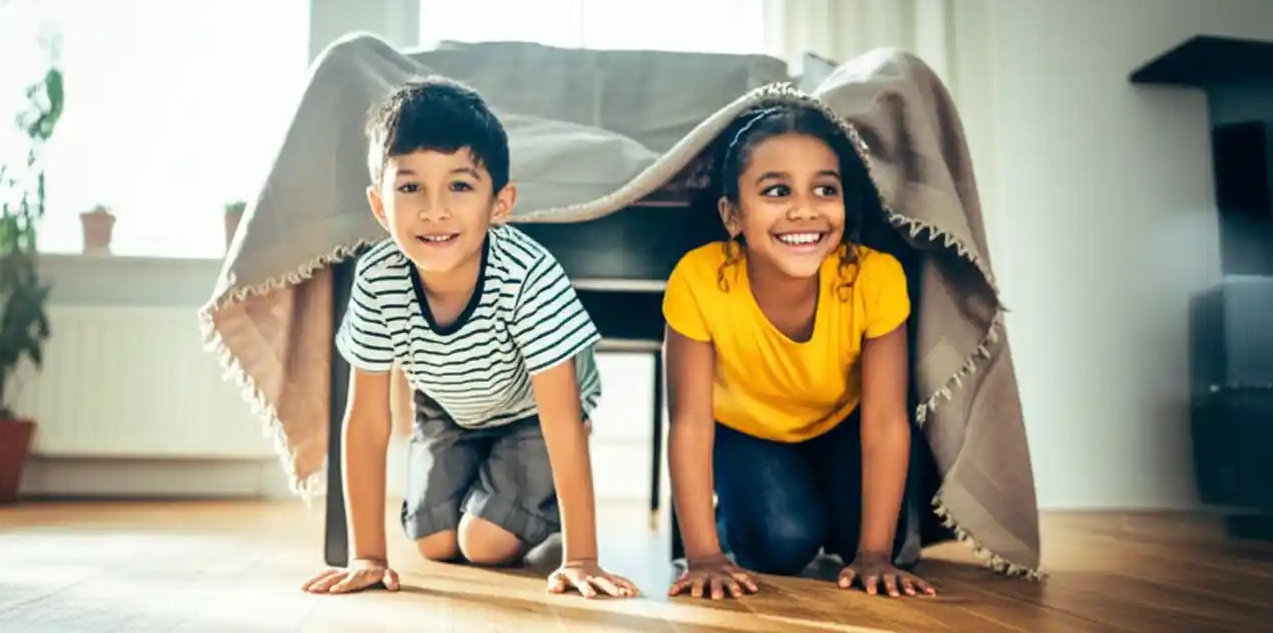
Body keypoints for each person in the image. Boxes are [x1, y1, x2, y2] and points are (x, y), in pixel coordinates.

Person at [301, 76, 638, 599]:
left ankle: (534, 497)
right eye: (410, 187)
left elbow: (559, 417)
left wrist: (582, 557)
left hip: (532, 411)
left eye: (459, 186)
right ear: (379, 206)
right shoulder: (376, 278)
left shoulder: (526, 274)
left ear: (499, 204)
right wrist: (367, 555)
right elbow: (366, 418)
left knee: (482, 542)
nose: (434, 209)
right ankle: (492, 482)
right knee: (434, 541)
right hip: (448, 407)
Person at [662, 103, 937, 600]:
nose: (805, 209)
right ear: (732, 215)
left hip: (840, 425)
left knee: (883, 544)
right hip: (747, 432)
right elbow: (689, 423)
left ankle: (856, 521)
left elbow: (884, 422)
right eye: (777, 191)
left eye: (825, 190)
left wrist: (874, 554)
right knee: (782, 544)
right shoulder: (699, 280)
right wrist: (704, 556)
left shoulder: (875, 277)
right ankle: (731, 519)